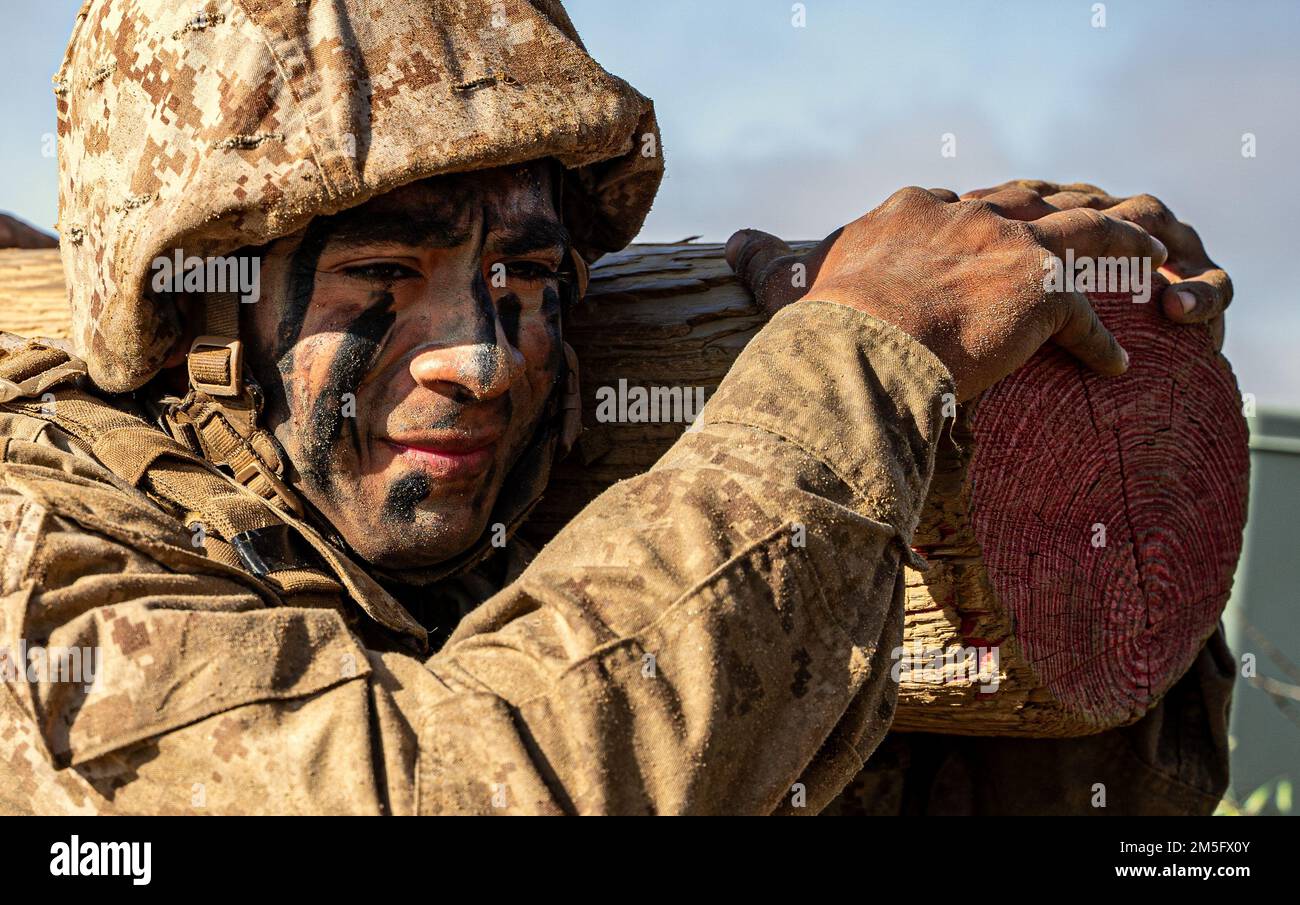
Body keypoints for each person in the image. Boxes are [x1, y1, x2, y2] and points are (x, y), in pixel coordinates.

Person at [0, 0, 1233, 814]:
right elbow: (441, 787)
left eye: (523, 277)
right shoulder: (50, 555)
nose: (482, 363)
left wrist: (1033, 417)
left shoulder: (541, 503)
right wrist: (850, 370)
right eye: (381, 277)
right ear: (193, 320)